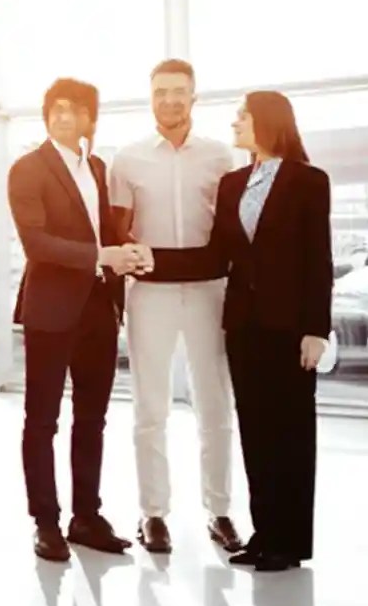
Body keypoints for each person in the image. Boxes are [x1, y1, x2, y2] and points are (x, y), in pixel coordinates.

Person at [142, 90, 333, 572]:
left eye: (242, 117)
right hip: (244, 326)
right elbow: (214, 257)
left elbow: (318, 260)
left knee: (291, 434)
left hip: (290, 328)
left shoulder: (309, 181)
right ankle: (265, 533)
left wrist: (316, 329)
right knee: (255, 432)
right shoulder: (232, 183)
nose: (234, 124)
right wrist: (147, 261)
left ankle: (290, 543)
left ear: (267, 122)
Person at [7, 77, 148, 562]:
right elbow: (36, 244)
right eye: (55, 108)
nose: (62, 115)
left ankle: (86, 516)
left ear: (90, 118)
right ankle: (45, 521)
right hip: (50, 308)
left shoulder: (97, 167)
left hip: (97, 308)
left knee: (92, 418)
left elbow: (104, 231)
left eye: (73, 109)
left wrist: (127, 251)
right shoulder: (27, 169)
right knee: (41, 419)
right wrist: (102, 254)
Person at [108, 59, 243, 554]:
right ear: (151, 98)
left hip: (210, 290)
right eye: (161, 91)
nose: (169, 100)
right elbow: (118, 229)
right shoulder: (127, 159)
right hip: (151, 293)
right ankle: (153, 514)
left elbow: (230, 228)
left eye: (178, 92)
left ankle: (221, 511)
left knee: (214, 403)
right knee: (150, 407)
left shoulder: (219, 157)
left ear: (193, 97)